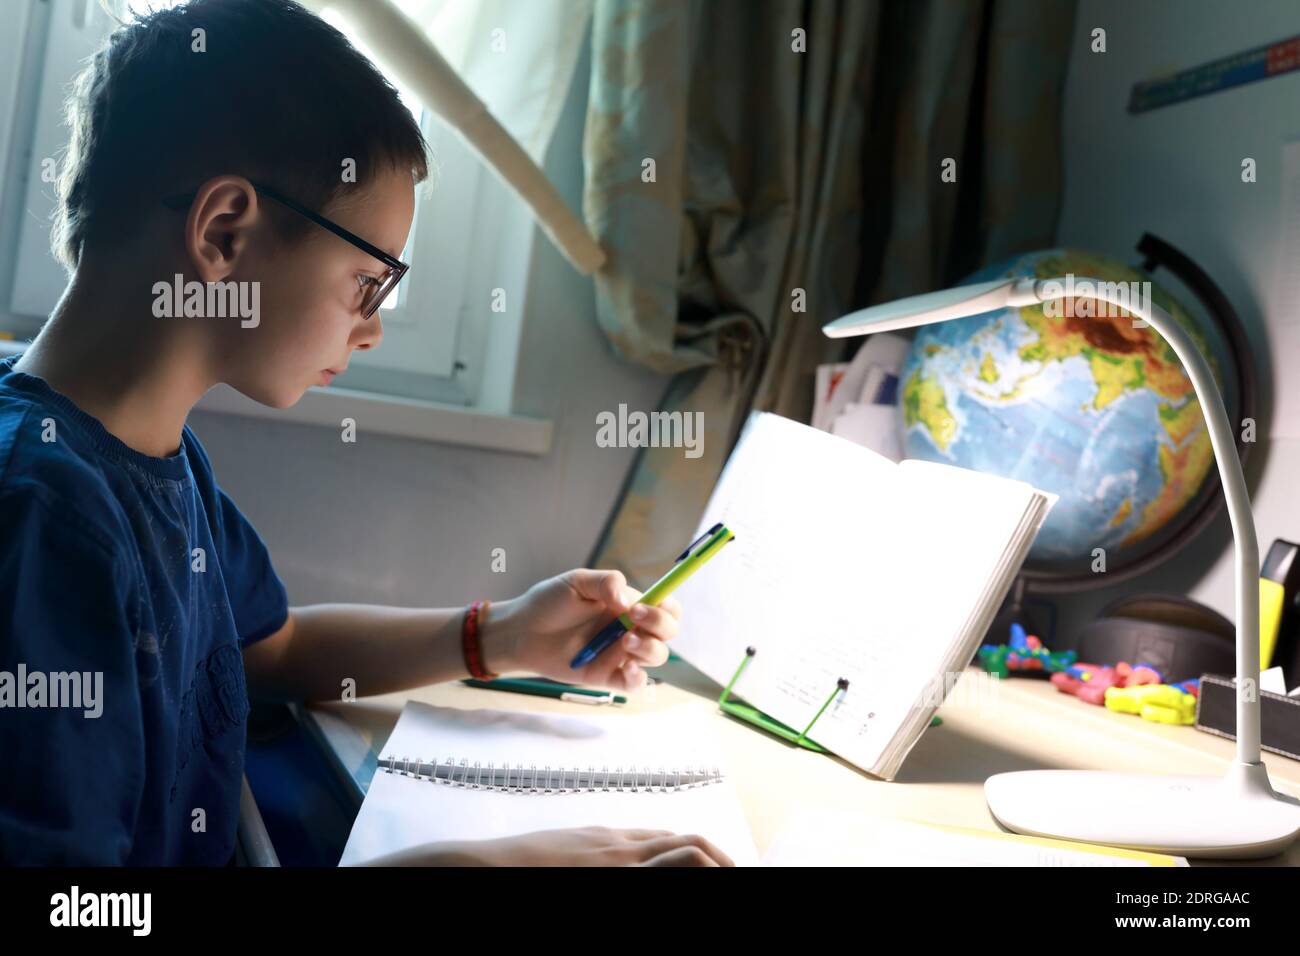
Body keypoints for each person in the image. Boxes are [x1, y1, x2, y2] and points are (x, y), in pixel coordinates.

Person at [0, 0, 731, 867]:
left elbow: (273, 648)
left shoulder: (153, 457)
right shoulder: (48, 519)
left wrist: (501, 634)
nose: (373, 327)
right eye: (369, 284)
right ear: (224, 231)